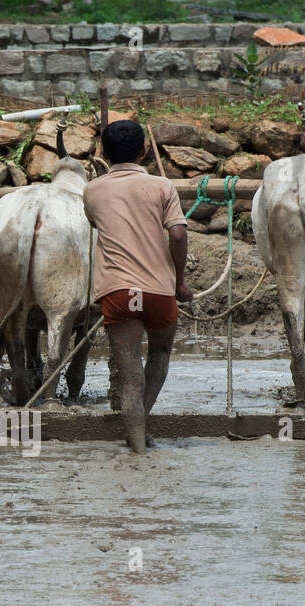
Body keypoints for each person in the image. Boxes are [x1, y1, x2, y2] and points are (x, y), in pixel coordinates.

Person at [82, 120, 192, 453]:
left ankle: (137, 448)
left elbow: (97, 224)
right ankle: (140, 429)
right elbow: (178, 234)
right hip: (159, 291)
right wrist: (180, 282)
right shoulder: (162, 186)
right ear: (144, 151)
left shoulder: (92, 190)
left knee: (129, 376)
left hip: (117, 292)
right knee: (159, 353)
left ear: (102, 152)